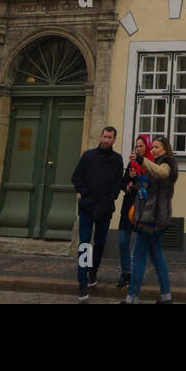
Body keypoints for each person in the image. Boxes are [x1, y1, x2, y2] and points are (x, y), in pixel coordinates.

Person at [71, 126, 124, 302]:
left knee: (100, 243)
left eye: (110, 137)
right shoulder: (88, 156)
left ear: (114, 139)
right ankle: (82, 281)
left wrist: (110, 198)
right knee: (85, 243)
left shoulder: (117, 160)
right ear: (100, 137)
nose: (106, 140)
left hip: (105, 208)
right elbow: (76, 178)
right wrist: (86, 194)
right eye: (104, 136)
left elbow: (118, 182)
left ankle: (93, 271)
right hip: (87, 207)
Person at [123, 135, 178, 304]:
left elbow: (161, 173)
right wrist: (134, 184)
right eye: (152, 147)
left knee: (137, 257)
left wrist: (141, 160)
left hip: (152, 219)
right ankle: (166, 296)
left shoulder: (167, 163)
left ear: (165, 149)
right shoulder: (153, 164)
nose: (153, 150)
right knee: (156, 257)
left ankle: (132, 298)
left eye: (157, 147)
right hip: (153, 218)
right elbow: (148, 185)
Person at [115, 134, 150, 289]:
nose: (138, 149)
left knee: (140, 244)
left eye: (141, 146)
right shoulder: (132, 163)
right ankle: (125, 272)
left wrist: (136, 180)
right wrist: (129, 179)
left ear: (147, 147)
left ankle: (137, 274)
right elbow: (123, 184)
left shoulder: (150, 164)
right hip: (128, 206)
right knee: (123, 240)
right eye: (136, 146)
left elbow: (149, 186)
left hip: (143, 208)